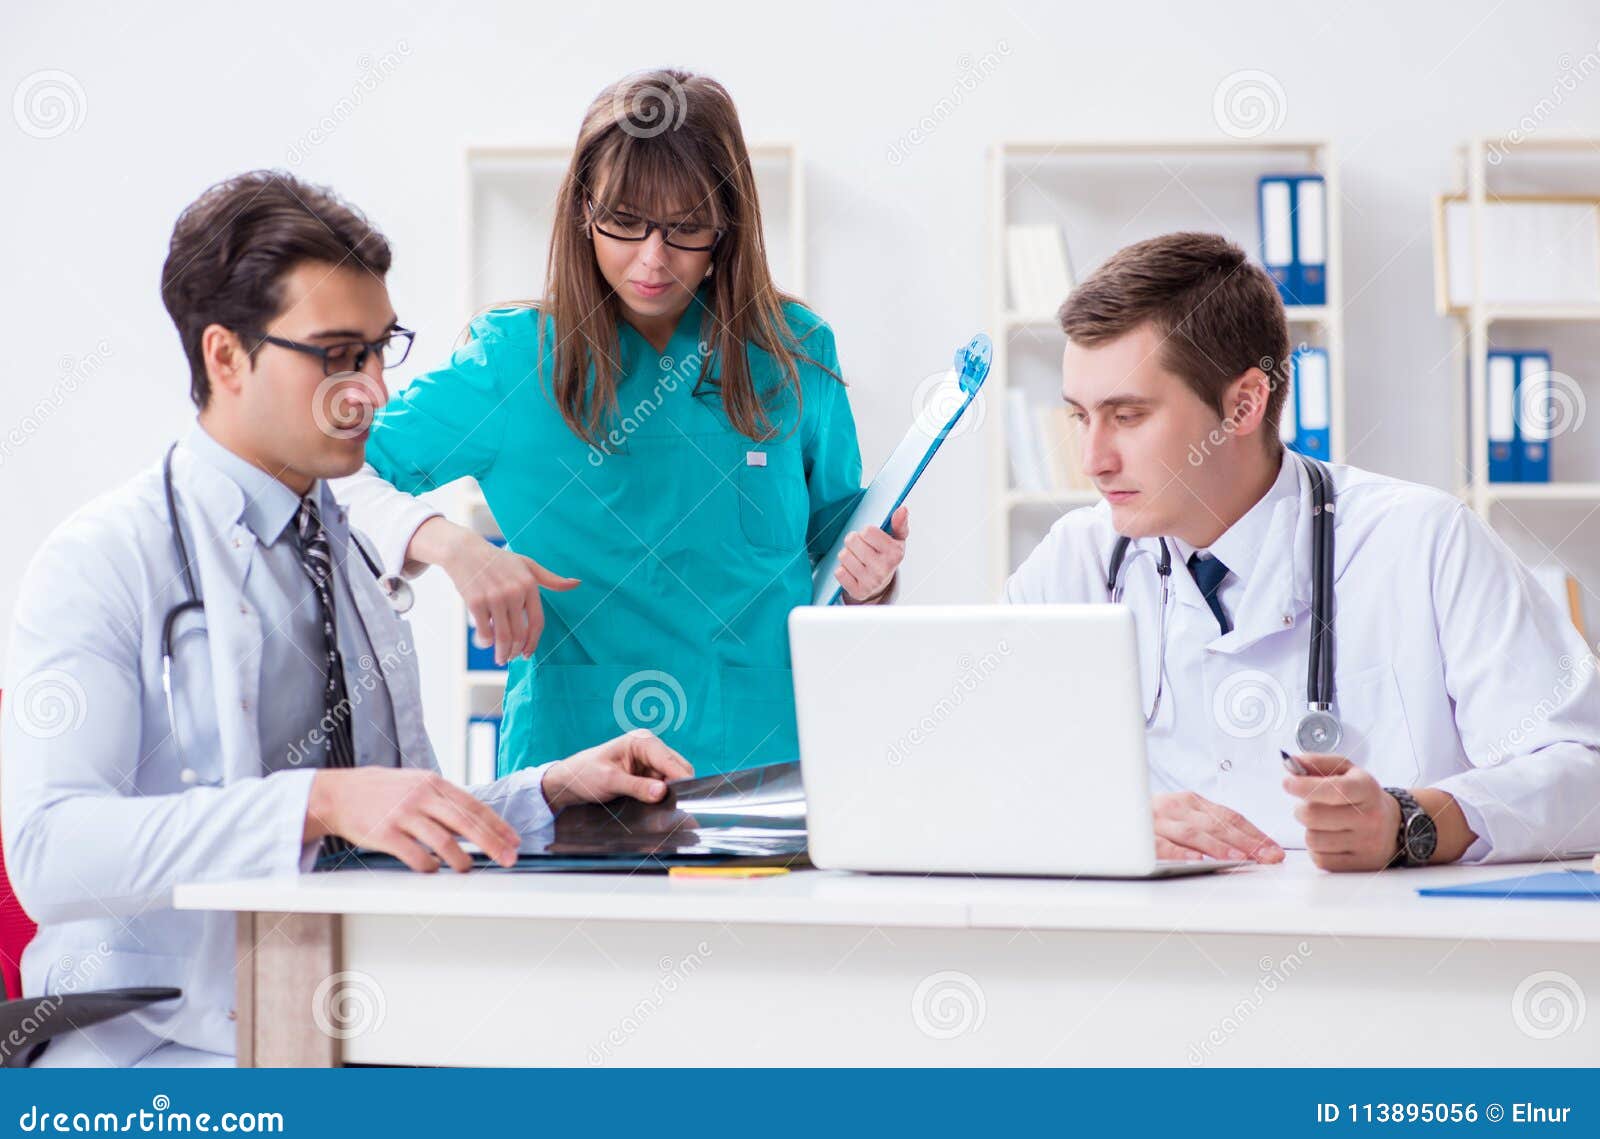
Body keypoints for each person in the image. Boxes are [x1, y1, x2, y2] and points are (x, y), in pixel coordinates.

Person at [1, 171, 692, 1067]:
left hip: (333, 1017)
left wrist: (548, 791)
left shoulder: (347, 549)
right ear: (224, 357)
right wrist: (318, 802)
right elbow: (50, 854)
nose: (369, 389)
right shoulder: (103, 557)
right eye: (334, 355)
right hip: (149, 1043)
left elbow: (382, 822)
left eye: (378, 350)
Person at [334, 69, 906, 780]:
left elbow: (836, 566)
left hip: (771, 771)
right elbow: (331, 479)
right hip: (575, 779)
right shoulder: (515, 362)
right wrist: (450, 543)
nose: (653, 258)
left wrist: (872, 582)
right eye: (626, 223)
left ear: (728, 224)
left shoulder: (794, 351)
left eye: (687, 227)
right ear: (581, 209)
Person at [1004, 231, 1600, 871]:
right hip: (1151, 955)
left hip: (1384, 954)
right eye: (1079, 417)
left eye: (1126, 416)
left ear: (1242, 405)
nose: (1093, 460)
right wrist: (1100, 822)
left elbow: (1582, 772)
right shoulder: (1076, 560)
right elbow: (970, 769)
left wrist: (1410, 821)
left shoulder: (1424, 540)